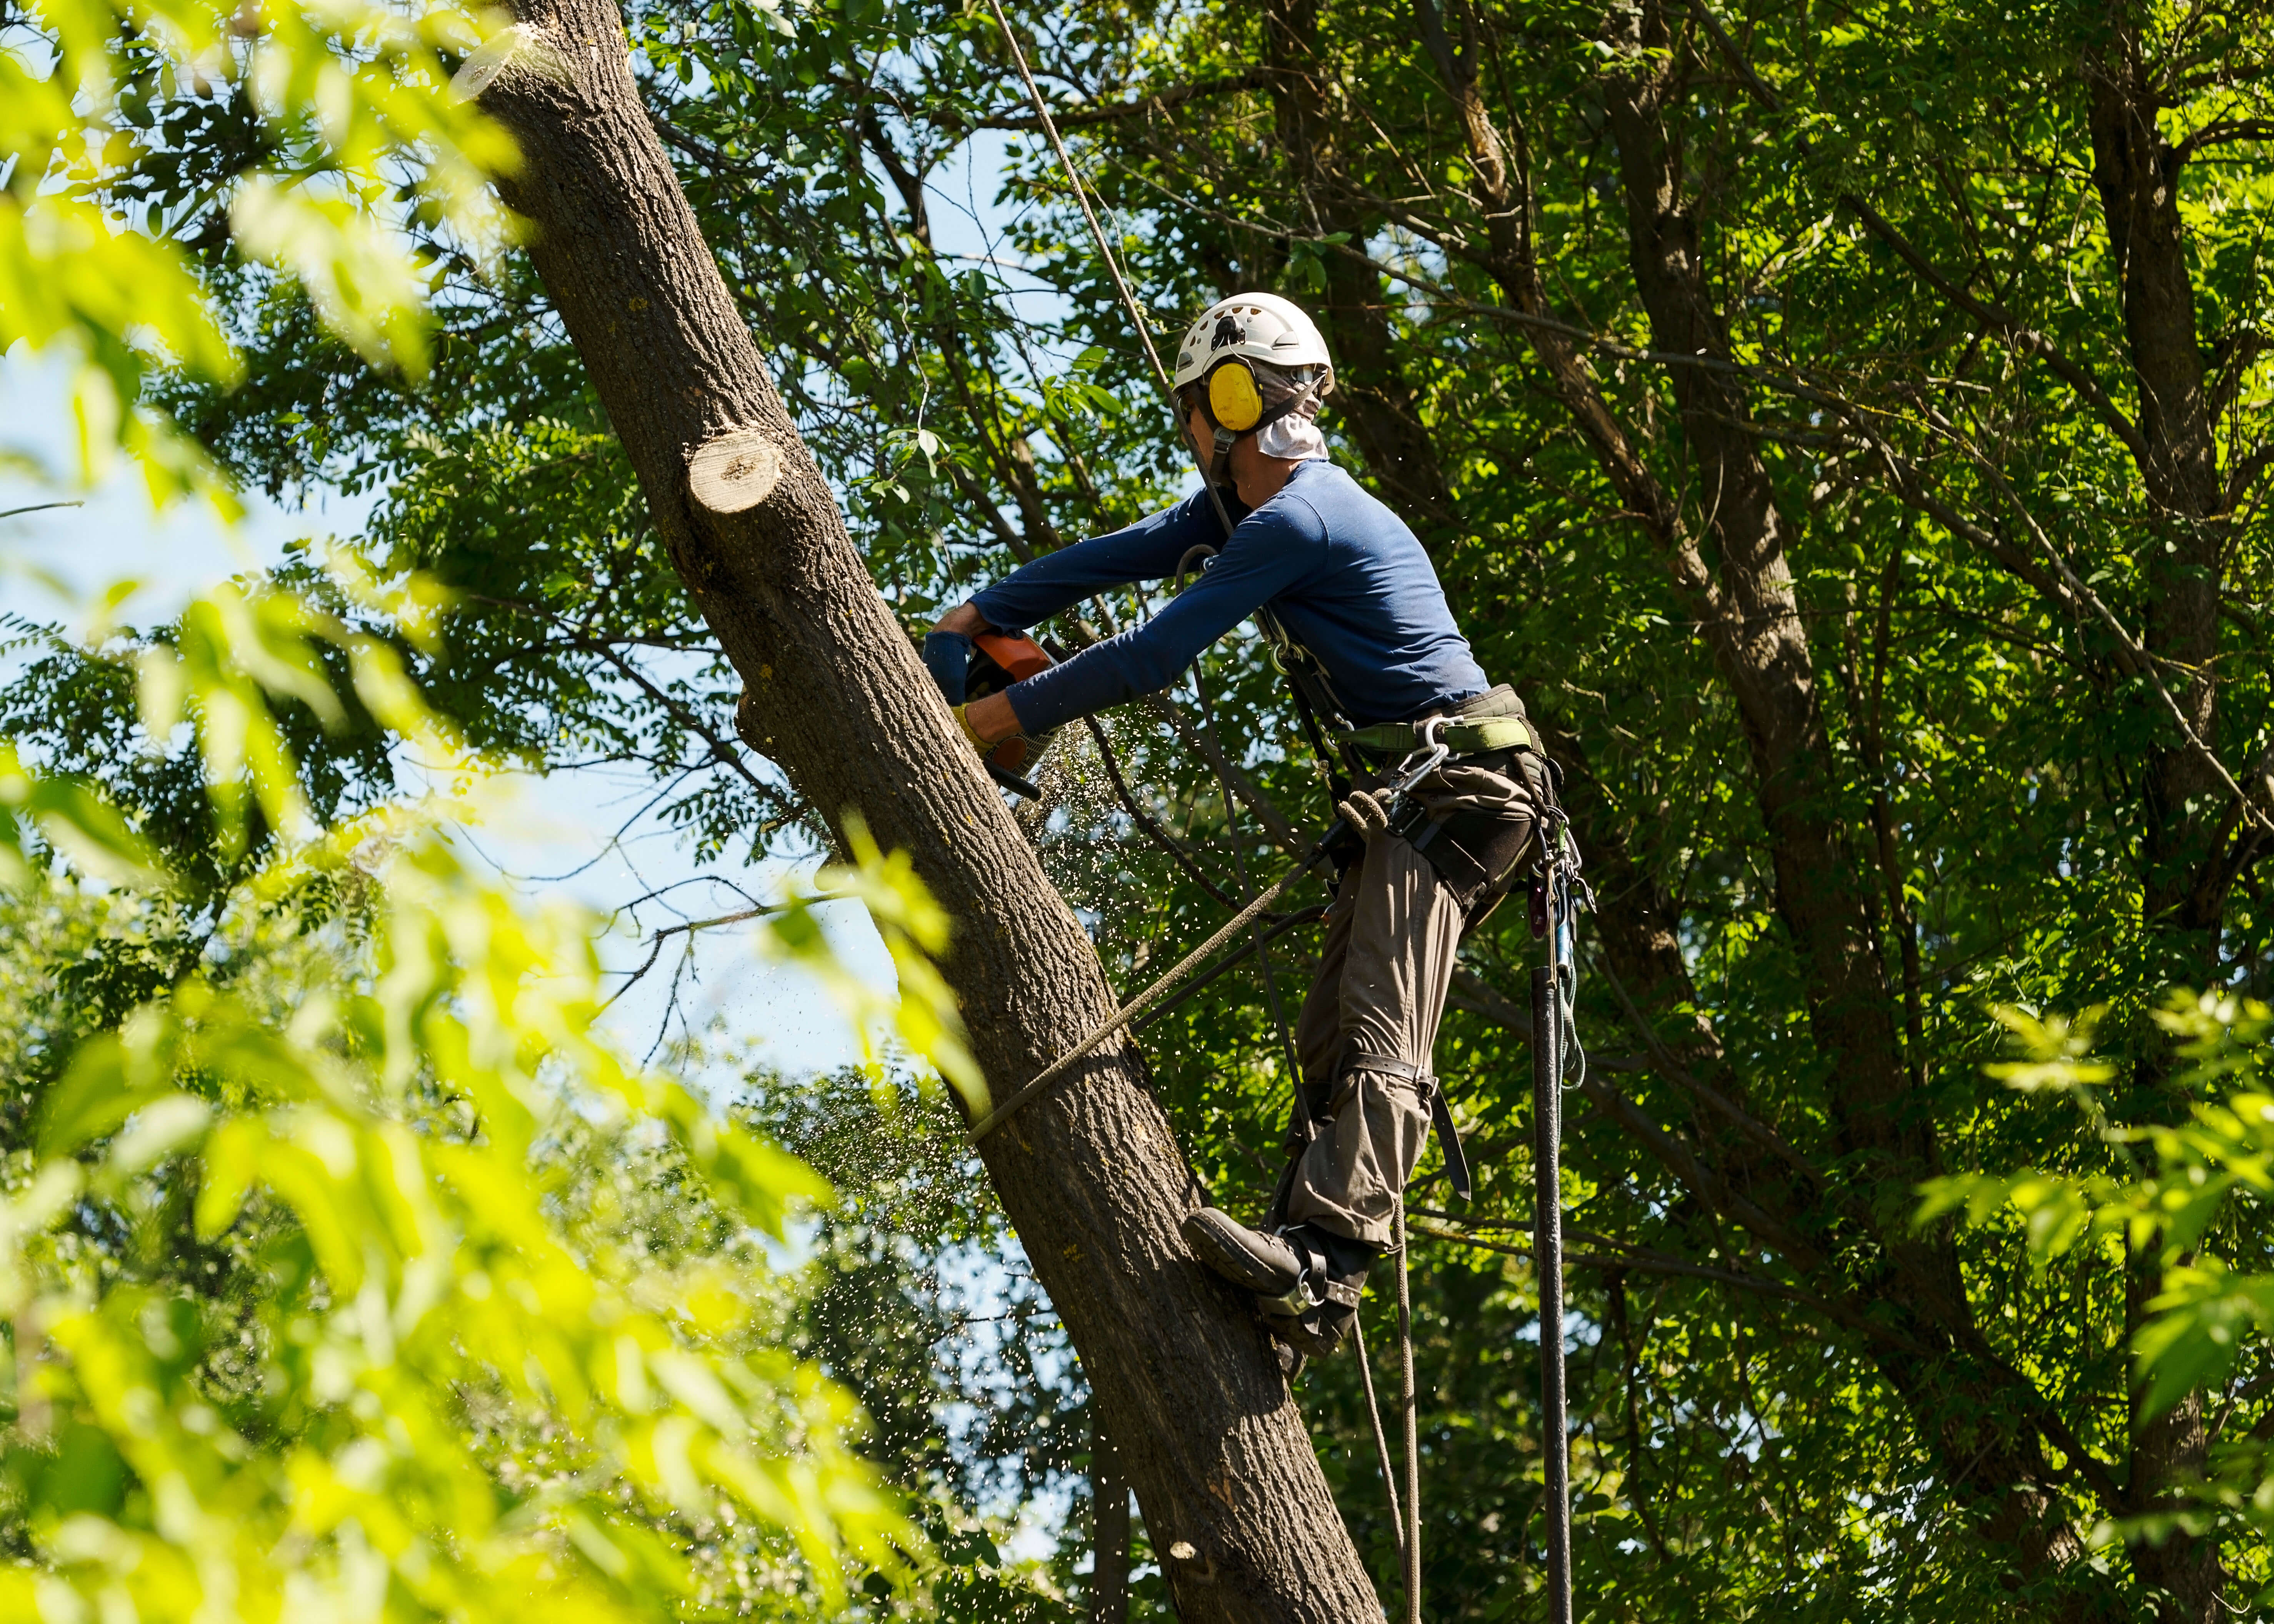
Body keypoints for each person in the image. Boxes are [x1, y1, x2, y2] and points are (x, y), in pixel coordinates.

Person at [925, 293, 1549, 1364]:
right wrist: (975, 618)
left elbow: (1153, 655)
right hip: (1417, 792)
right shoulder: (1252, 515)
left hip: (1463, 789)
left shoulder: (1299, 518)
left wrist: (982, 720)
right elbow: (1114, 557)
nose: (1191, 436)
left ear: (1223, 402)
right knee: (1330, 1036)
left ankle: (1329, 1266)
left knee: (1380, 1027)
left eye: (1193, 413)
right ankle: (1290, 1274)